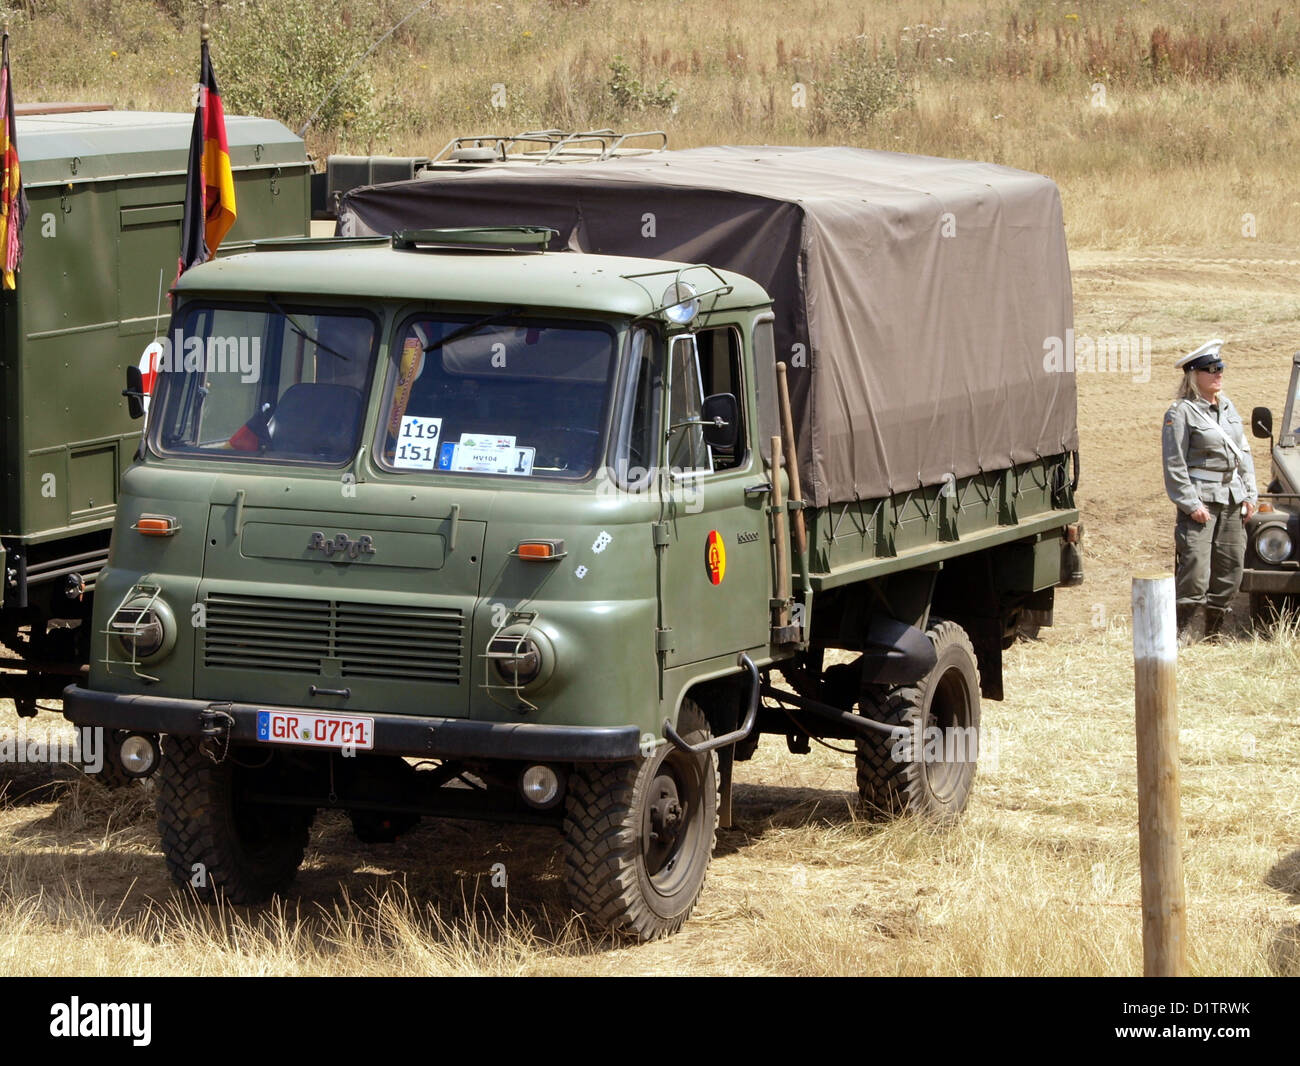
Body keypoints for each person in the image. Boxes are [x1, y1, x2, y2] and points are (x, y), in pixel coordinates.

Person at [1161, 339, 1258, 641]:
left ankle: (1213, 636)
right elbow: (1174, 463)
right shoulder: (1181, 413)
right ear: (1194, 375)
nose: (1218, 374)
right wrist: (1190, 504)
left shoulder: (1228, 407)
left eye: (1220, 368)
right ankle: (1181, 634)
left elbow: (1244, 453)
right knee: (1195, 571)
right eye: (1210, 369)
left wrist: (1250, 494)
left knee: (1231, 569)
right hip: (1201, 500)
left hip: (1232, 499)